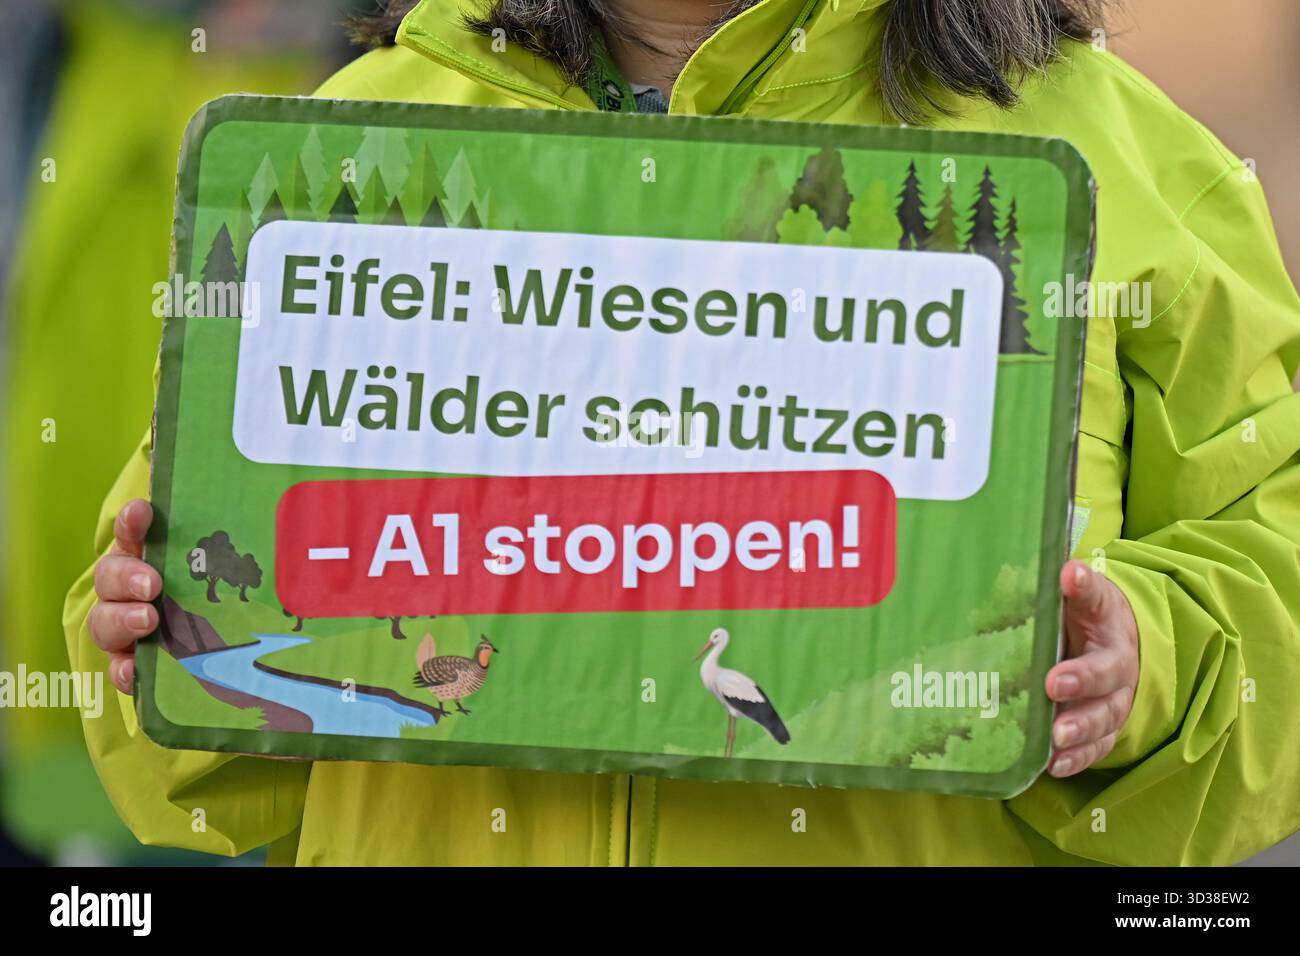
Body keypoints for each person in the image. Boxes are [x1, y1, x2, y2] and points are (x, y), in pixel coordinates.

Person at [67, 0, 1300, 865]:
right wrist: (144, 626)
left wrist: (1148, 657)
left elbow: (1273, 583)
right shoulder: (355, 138)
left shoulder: (1118, 158)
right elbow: (176, 701)